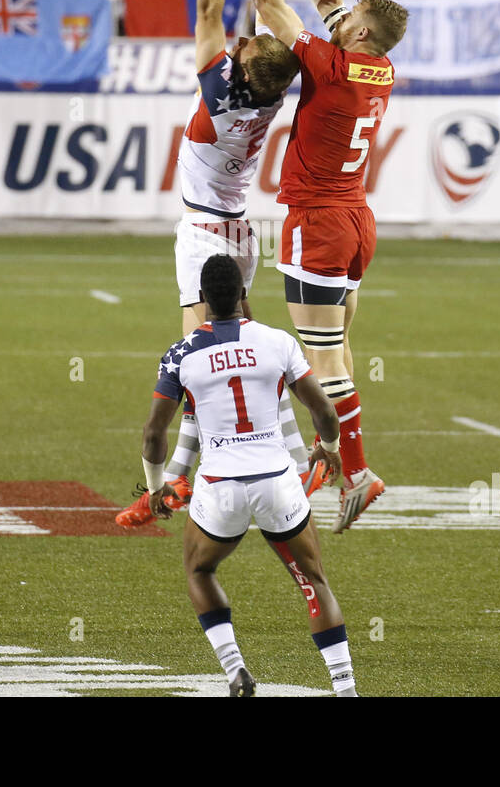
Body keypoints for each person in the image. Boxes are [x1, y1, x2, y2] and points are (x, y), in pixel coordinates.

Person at [116, 0, 313, 529]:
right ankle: (271, 454)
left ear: (247, 60)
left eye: (248, 41)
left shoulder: (225, 89)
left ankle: (178, 481)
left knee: (198, 362)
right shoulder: (272, 83)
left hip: (206, 234)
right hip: (238, 234)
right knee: (242, 350)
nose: (242, 37)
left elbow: (206, 11)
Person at [244, 0, 409, 532]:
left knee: (328, 364)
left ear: (359, 33)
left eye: (351, 17)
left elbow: (274, 7)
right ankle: (325, 453)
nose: (340, 15)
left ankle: (359, 470)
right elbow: (329, 0)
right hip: (357, 221)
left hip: (319, 221)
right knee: (328, 351)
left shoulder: (333, 68)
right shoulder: (375, 64)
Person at [140, 254, 352, 697]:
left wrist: (158, 485)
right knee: (313, 581)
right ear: (243, 295)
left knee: (200, 570)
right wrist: (329, 449)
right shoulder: (277, 342)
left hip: (219, 488)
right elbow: (323, 410)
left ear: (201, 300)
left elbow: (154, 431)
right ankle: (345, 688)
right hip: (277, 480)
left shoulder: (180, 353)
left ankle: (236, 670)